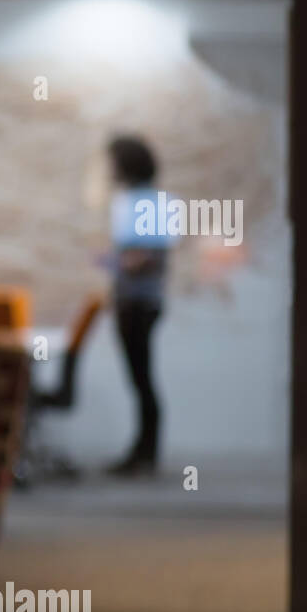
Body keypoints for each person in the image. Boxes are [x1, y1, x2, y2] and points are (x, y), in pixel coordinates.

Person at [103, 135, 180, 476]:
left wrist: (115, 264)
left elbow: (146, 258)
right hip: (134, 300)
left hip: (139, 302)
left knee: (142, 378)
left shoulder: (149, 203)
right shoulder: (135, 201)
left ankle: (145, 453)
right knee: (140, 378)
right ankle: (142, 450)